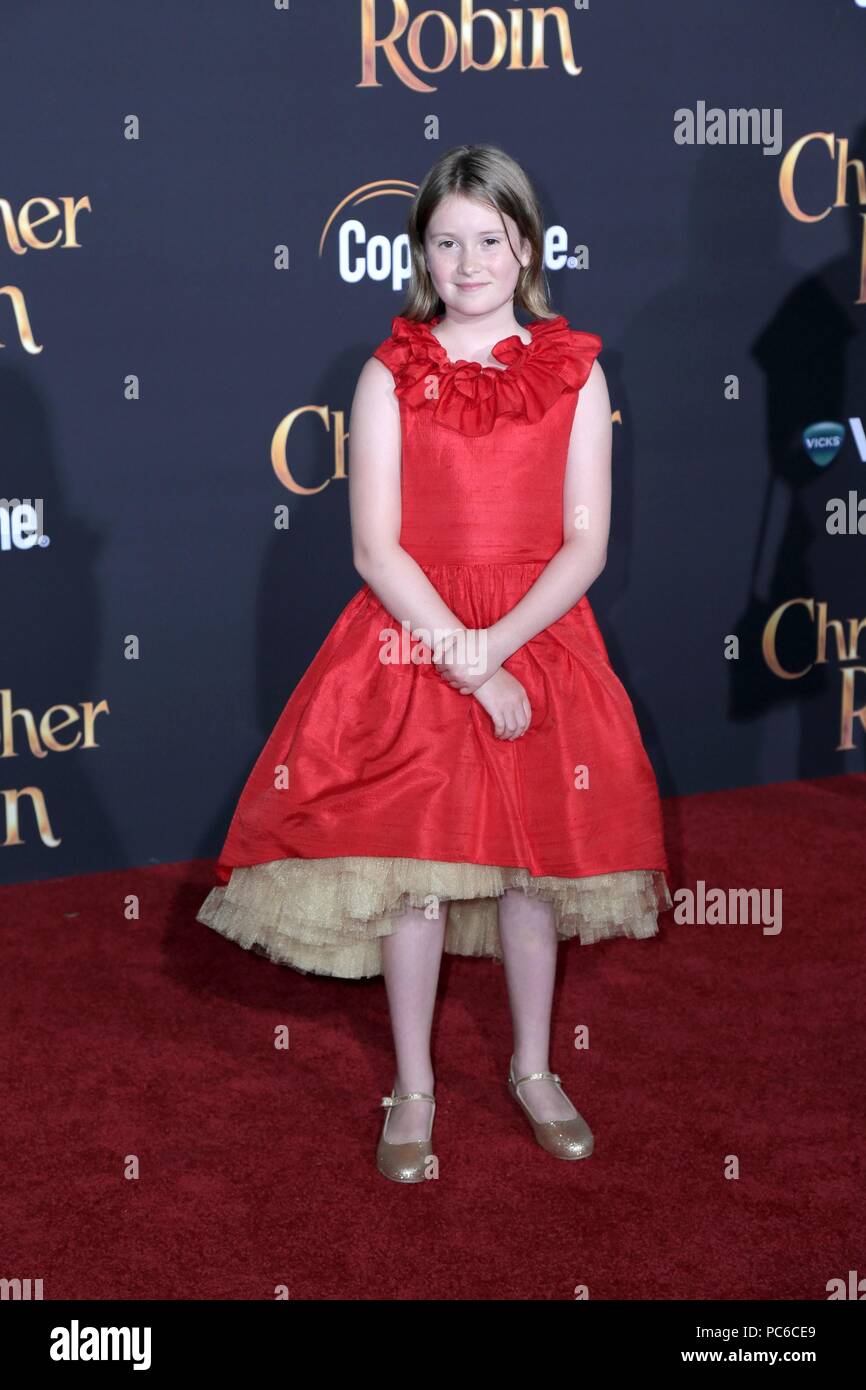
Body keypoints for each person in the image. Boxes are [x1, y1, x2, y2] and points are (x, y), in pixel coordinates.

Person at [196, 143, 672, 1183]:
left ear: (525, 248)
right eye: (445, 241)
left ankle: (534, 1068)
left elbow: (584, 542)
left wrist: (500, 652)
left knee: (528, 876)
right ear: (418, 253)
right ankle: (410, 1084)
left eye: (487, 239)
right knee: (412, 879)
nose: (467, 261)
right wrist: (463, 659)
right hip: (408, 643)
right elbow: (374, 545)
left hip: (539, 640)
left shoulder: (574, 372)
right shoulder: (385, 373)